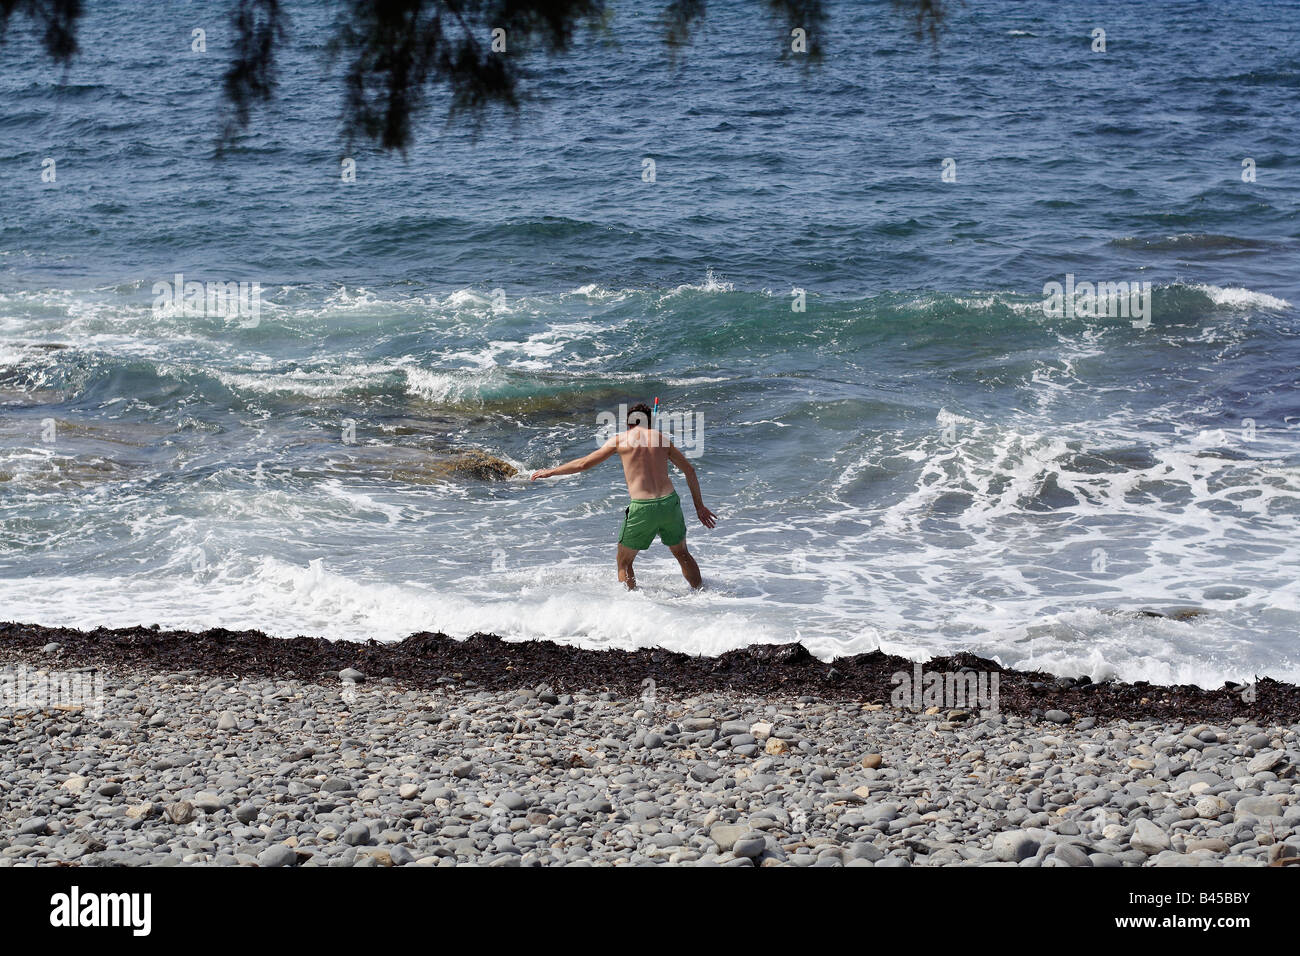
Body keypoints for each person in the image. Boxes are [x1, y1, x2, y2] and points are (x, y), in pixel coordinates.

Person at [530, 402, 717, 589]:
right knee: (682, 554)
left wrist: (552, 471)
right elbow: (690, 471)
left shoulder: (620, 440)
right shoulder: (661, 439)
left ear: (628, 424)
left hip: (643, 506)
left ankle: (630, 603)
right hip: (669, 503)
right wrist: (699, 507)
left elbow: (583, 464)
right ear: (650, 423)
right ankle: (702, 594)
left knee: (624, 562)